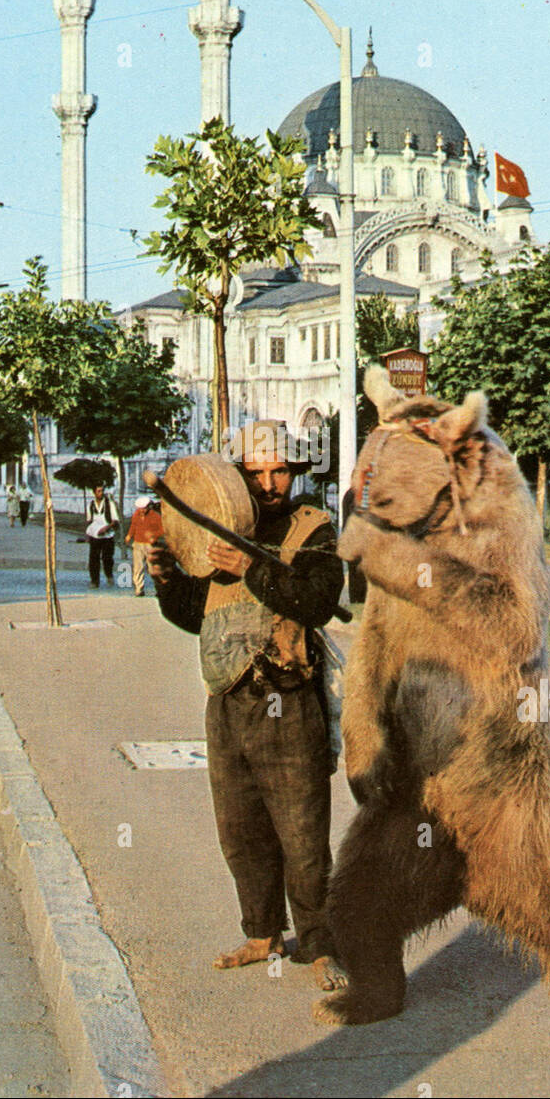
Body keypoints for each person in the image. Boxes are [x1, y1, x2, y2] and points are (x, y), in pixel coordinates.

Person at [146, 419, 346, 992]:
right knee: (239, 830)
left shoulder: (313, 531)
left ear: (295, 472)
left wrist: (252, 566)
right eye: (254, 472)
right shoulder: (223, 529)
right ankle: (261, 933)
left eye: (278, 469)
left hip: (286, 699)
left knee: (303, 835)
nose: (267, 482)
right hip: (227, 701)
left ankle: (319, 946)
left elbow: (315, 602)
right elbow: (197, 615)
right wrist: (166, 580)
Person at [125, 495, 163, 596]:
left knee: (152, 567)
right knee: (138, 567)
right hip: (138, 543)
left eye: (144, 508)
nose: (142, 510)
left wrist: (154, 536)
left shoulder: (155, 516)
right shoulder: (136, 514)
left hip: (150, 545)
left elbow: (162, 529)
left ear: (148, 507)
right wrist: (129, 535)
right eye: (140, 508)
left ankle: (159, 588)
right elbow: (133, 525)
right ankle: (139, 588)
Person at [87, 483, 120, 588]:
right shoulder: (91, 504)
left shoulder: (109, 504)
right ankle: (94, 581)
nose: (101, 493)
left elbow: (115, 521)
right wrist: (89, 534)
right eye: (98, 491)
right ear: (94, 492)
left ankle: (109, 575)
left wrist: (106, 528)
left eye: (102, 491)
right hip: (95, 535)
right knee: (93, 559)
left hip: (107, 535)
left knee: (107, 558)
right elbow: (89, 521)